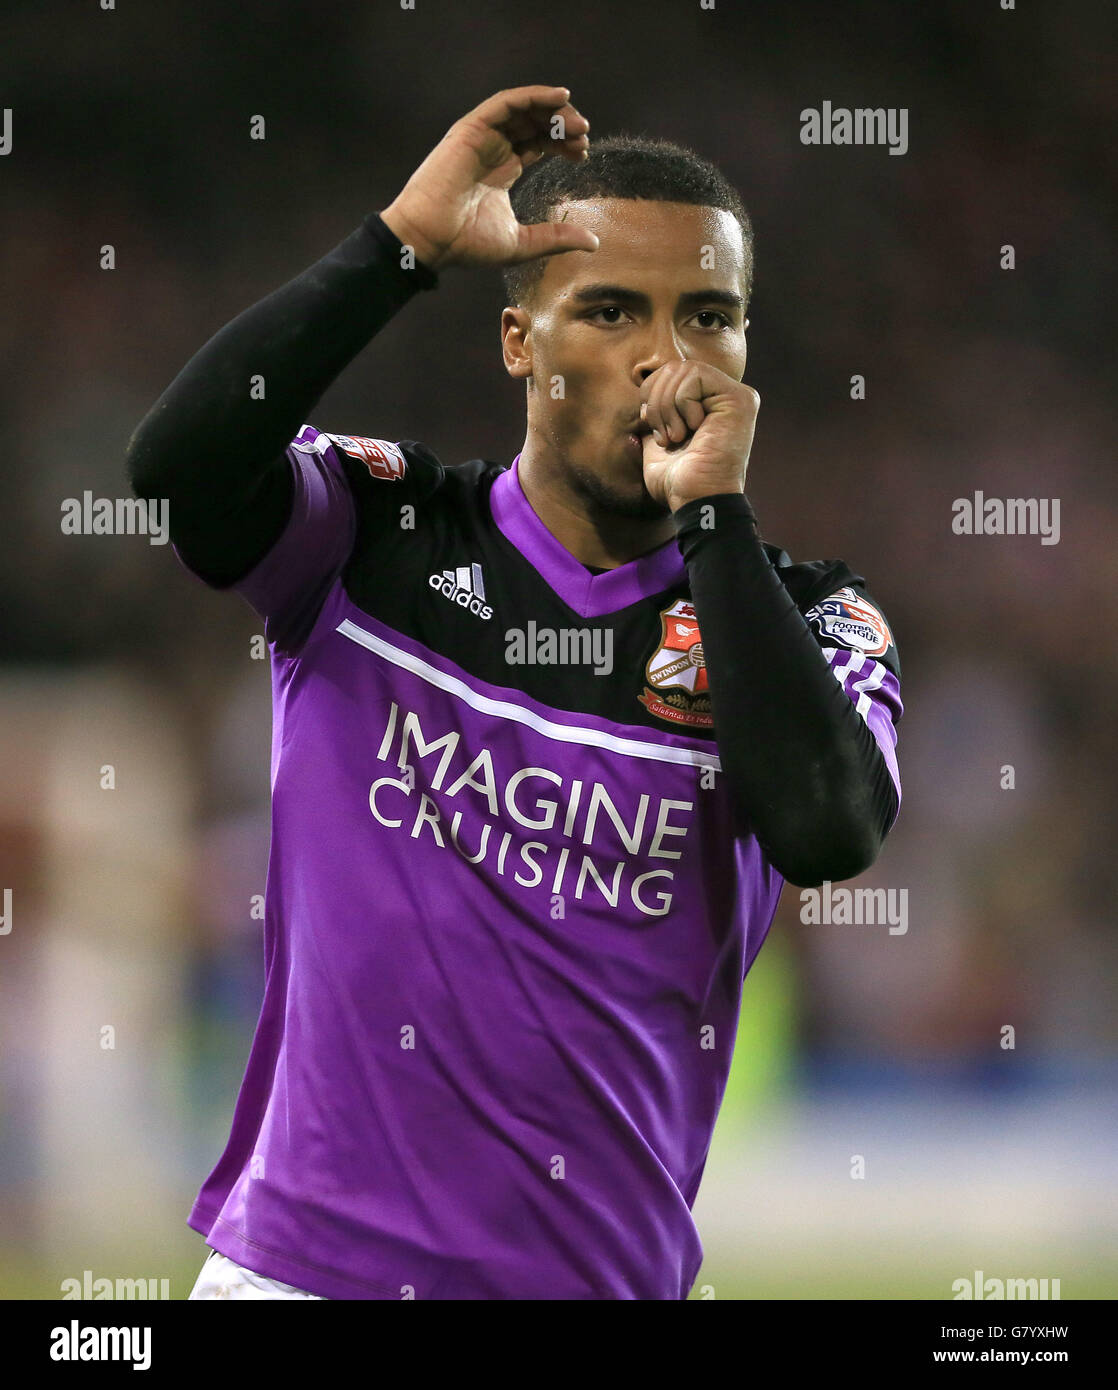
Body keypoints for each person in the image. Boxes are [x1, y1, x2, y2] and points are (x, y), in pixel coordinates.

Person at [127, 84, 902, 1301]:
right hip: (309, 1281)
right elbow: (177, 469)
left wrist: (714, 520)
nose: (666, 356)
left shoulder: (803, 620)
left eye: (710, 316)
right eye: (606, 309)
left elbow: (825, 829)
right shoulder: (373, 535)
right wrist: (397, 251)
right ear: (516, 342)